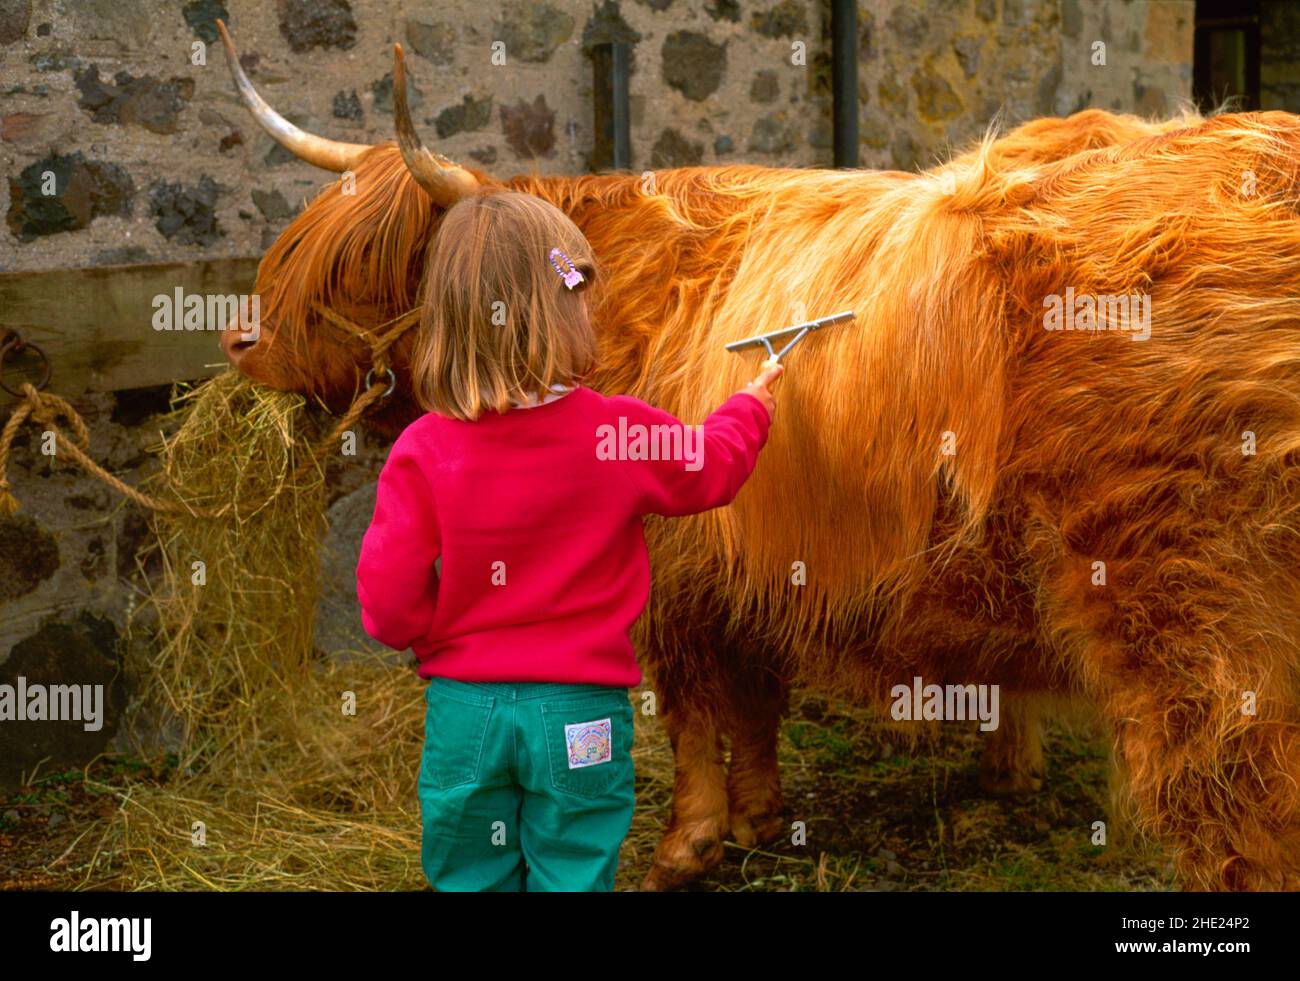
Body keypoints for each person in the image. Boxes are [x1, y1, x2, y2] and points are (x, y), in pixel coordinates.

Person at [356, 189, 782, 891]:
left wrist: (437, 633)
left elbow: (388, 603)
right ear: (565, 315)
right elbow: (711, 467)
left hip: (467, 714)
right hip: (580, 719)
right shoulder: (617, 431)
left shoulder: (422, 450)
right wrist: (752, 404)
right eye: (581, 295)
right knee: (575, 864)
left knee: (469, 870)